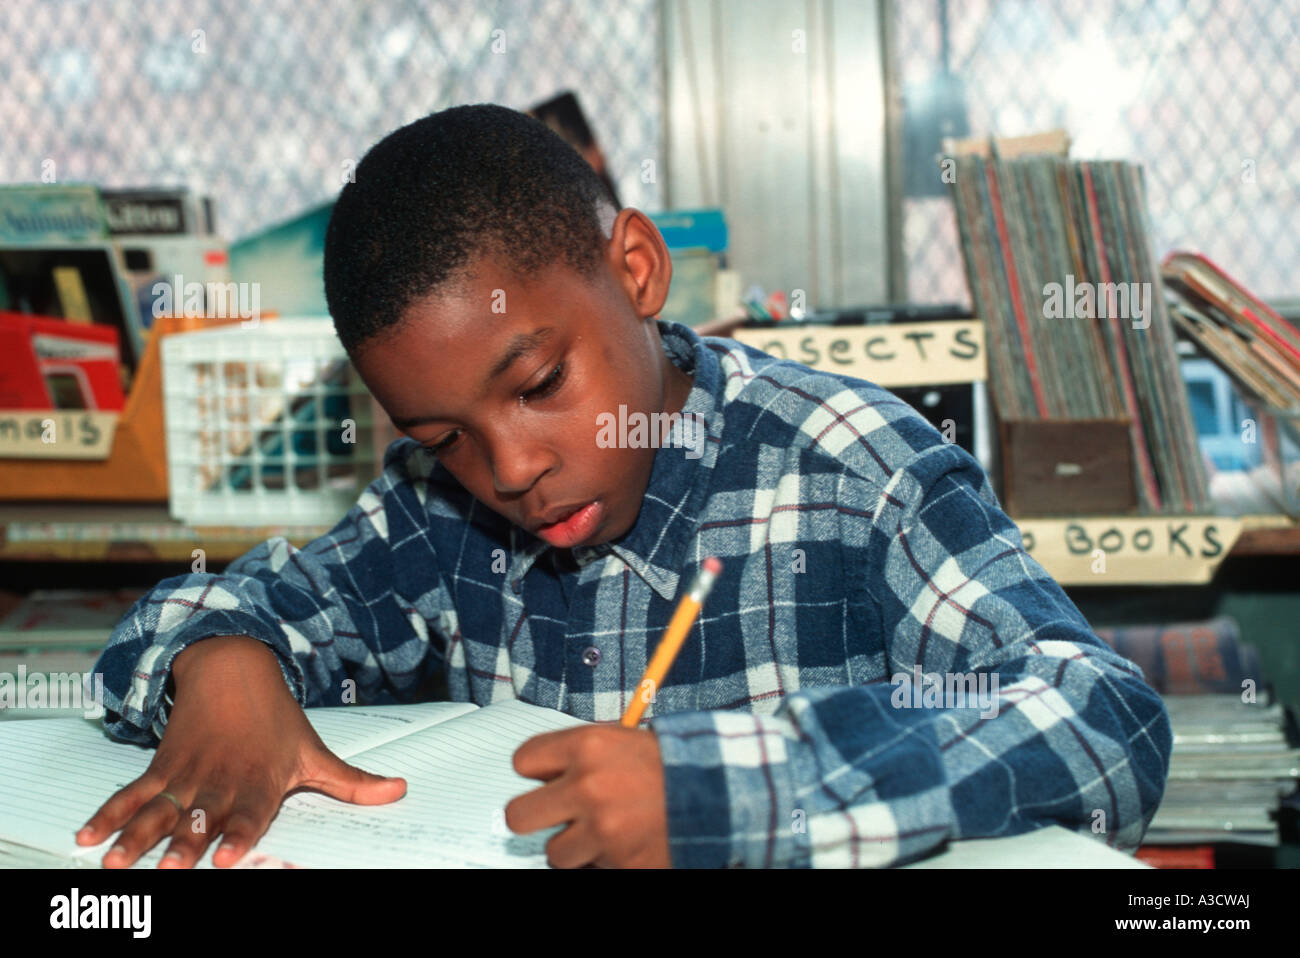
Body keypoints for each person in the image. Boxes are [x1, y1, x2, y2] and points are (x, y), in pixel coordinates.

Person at [80, 103, 1171, 869]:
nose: (508, 468)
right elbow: (241, 602)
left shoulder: (848, 466)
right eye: (444, 432)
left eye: (541, 382)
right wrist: (221, 671)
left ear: (636, 271)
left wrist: (732, 796)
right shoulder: (434, 511)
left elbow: (1098, 713)